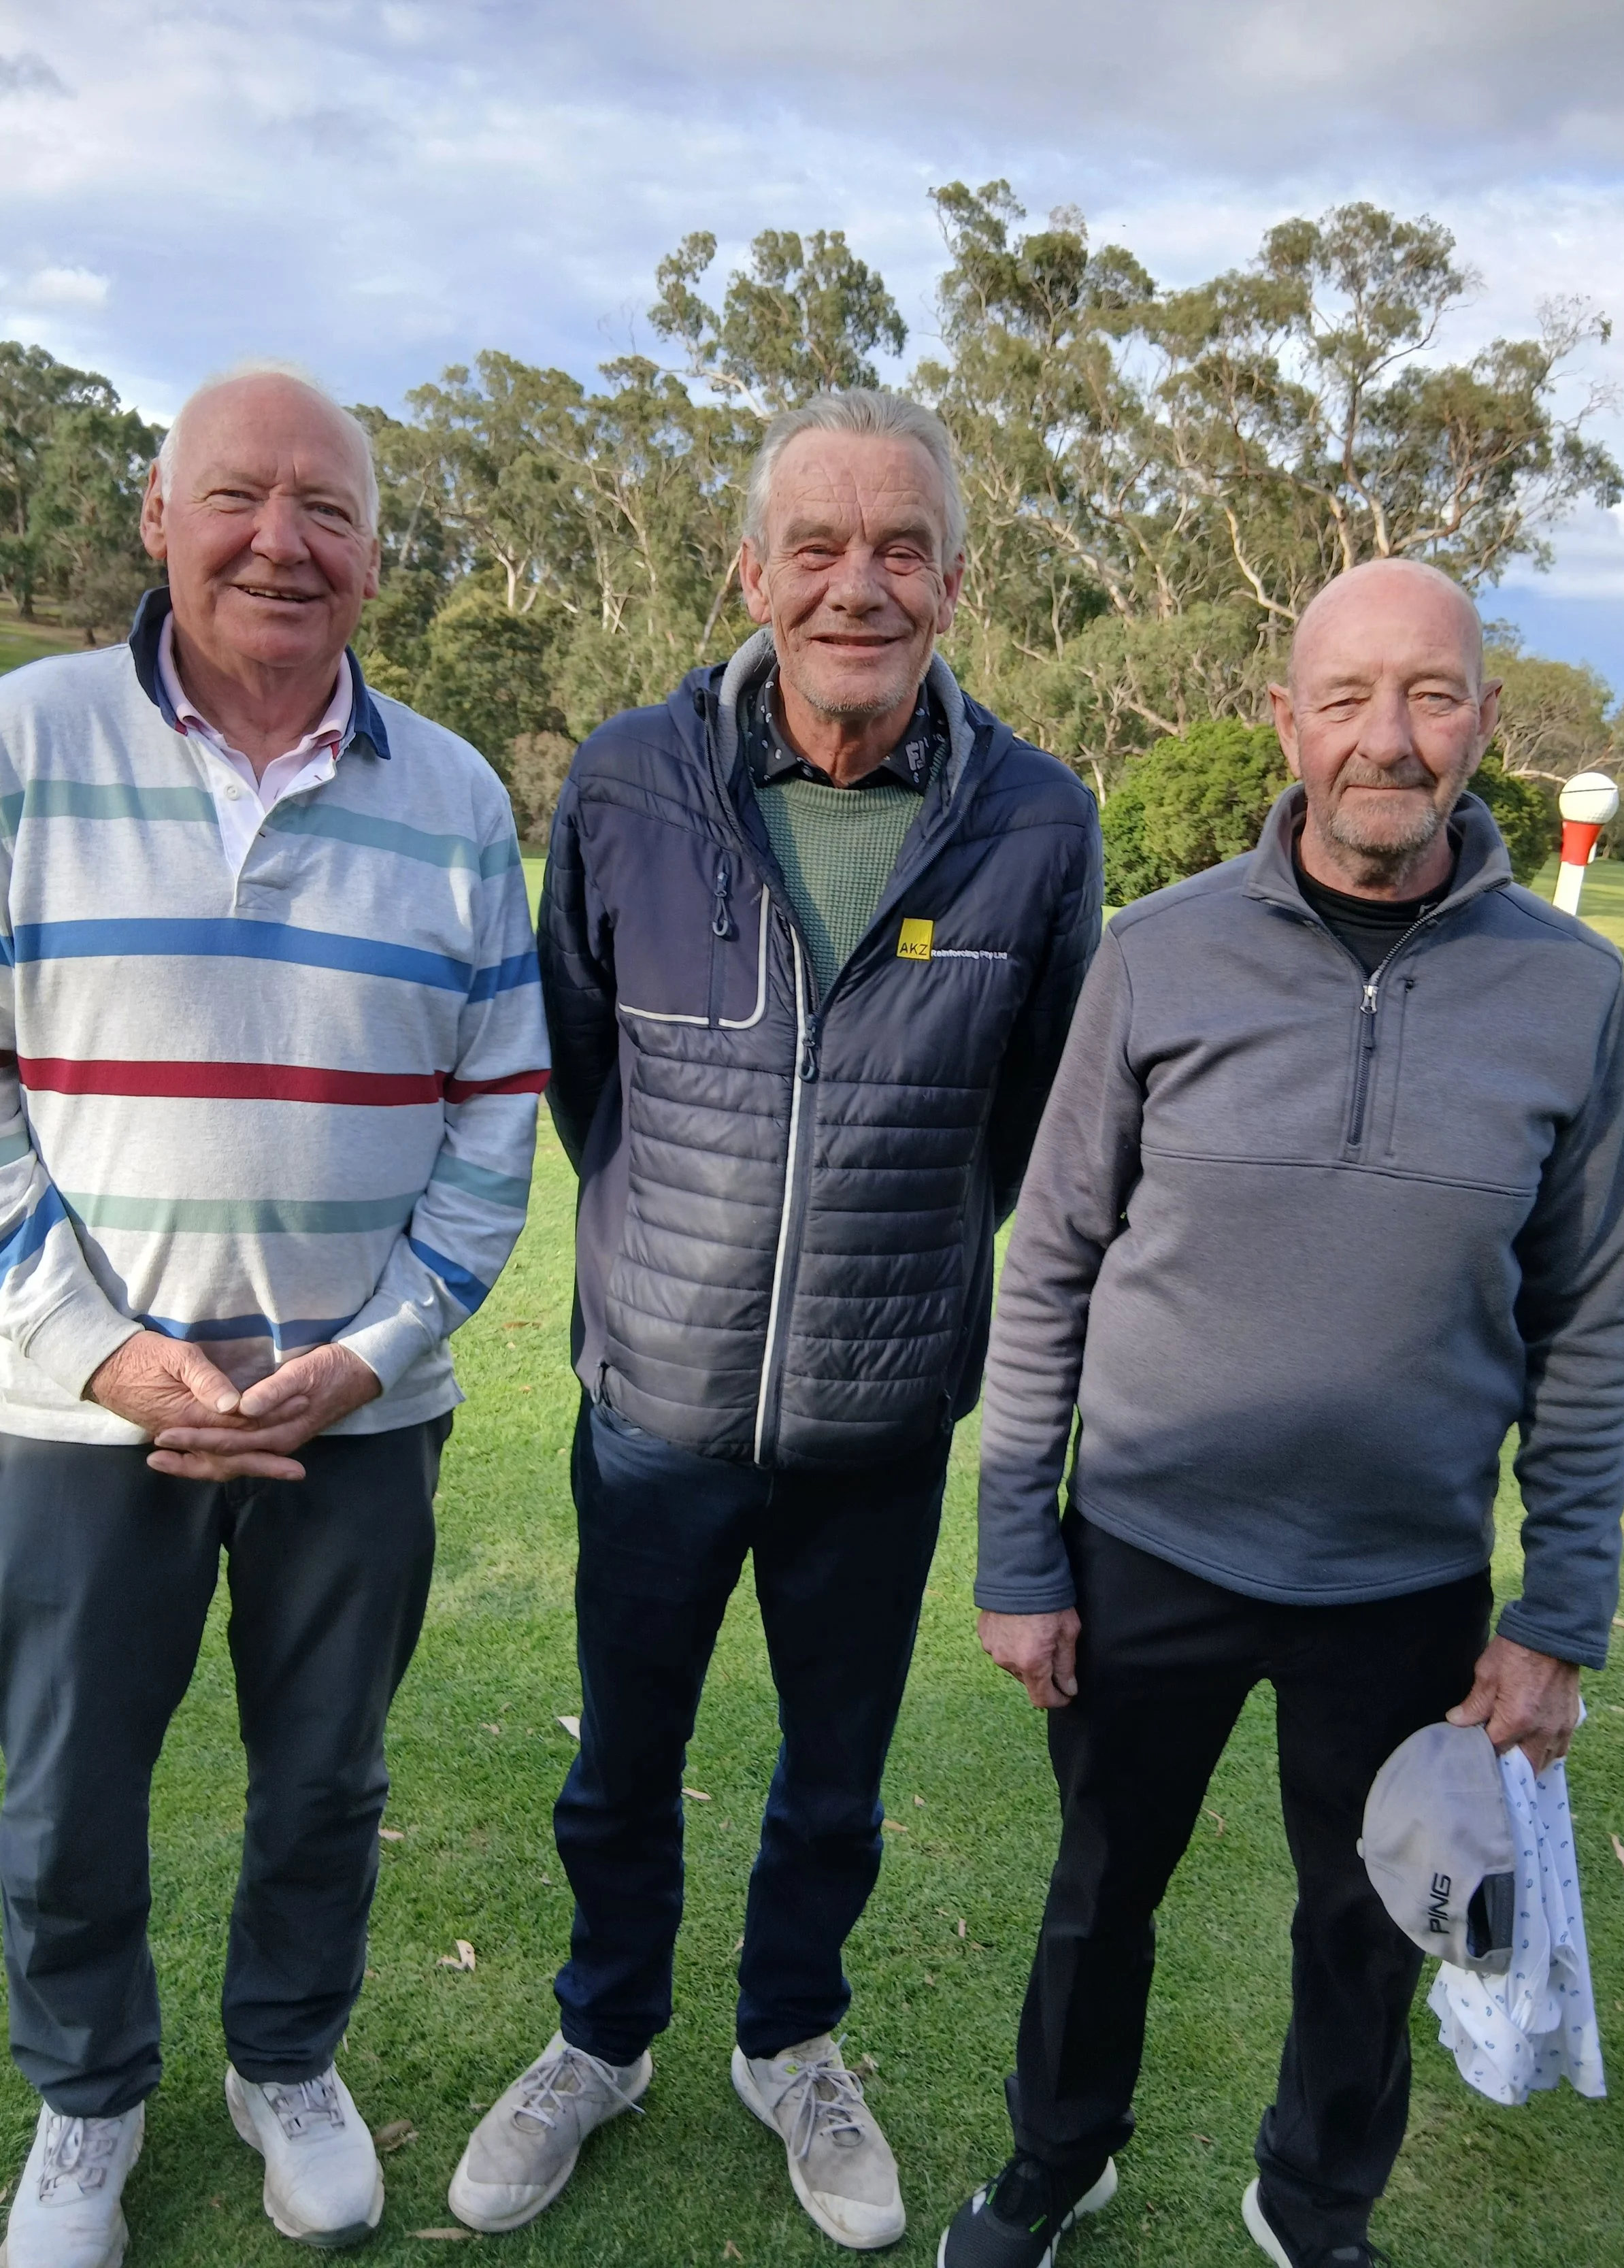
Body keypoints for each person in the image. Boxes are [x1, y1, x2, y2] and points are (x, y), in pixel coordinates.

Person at [450, 389, 1101, 2249]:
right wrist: (677, 1258)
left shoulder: (1039, 823)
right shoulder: (625, 784)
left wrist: (890, 1276)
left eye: (899, 546)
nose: (855, 584)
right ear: (750, 570)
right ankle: (599, 2034)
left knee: (834, 1781)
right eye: (815, 544)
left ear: (955, 581)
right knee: (619, 1764)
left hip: (880, 1424)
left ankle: (787, 2038)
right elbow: (580, 1082)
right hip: (651, 1398)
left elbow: (1038, 1130)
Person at [940, 559, 1624, 2268]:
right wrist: (1017, 1549)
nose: (1385, 740)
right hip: (1145, 1551)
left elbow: (1586, 1321)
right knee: (1103, 1890)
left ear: (1483, 717)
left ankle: (1310, 2199)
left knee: (1369, 1919)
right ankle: (1057, 2159)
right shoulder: (1155, 954)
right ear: (1285, 720)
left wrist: (1555, 1613)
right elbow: (1048, 1270)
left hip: (1400, 1583)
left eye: (1427, 695)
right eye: (1345, 697)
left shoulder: (1567, 993)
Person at [0, 365, 547, 2265]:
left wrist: (372, 1348)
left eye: (325, 508)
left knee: (325, 1770)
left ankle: (286, 2059)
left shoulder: (461, 793)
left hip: (358, 1412)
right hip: (81, 1414)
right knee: (69, 1785)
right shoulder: (26, 740)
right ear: (158, 517)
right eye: (237, 495)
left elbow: (497, 1117)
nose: (278, 538)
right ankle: (87, 2101)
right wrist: (95, 1344)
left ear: (377, 557)